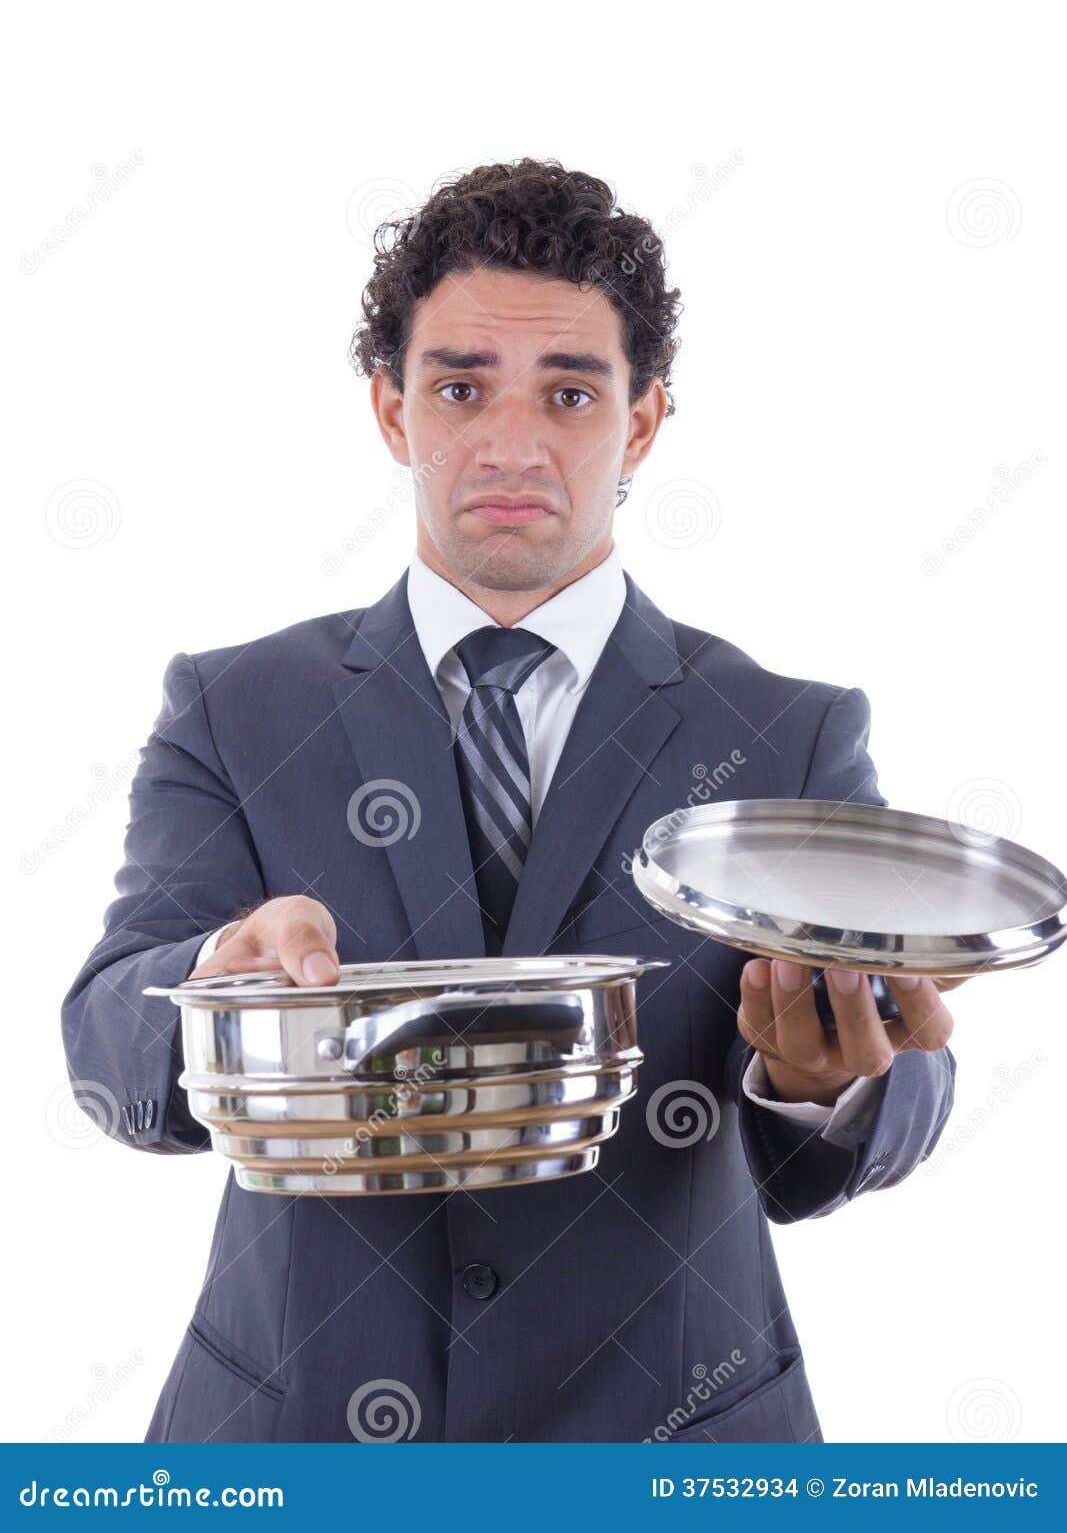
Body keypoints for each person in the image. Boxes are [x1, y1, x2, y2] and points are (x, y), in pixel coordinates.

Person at [62, 158, 957, 1444]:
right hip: (296, 1438)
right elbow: (105, 1044)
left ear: (642, 421)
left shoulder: (787, 733)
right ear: (390, 408)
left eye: (571, 392)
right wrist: (215, 975)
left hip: (666, 1443)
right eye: (460, 385)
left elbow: (890, 1077)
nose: (510, 444)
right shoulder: (234, 705)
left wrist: (826, 1083)